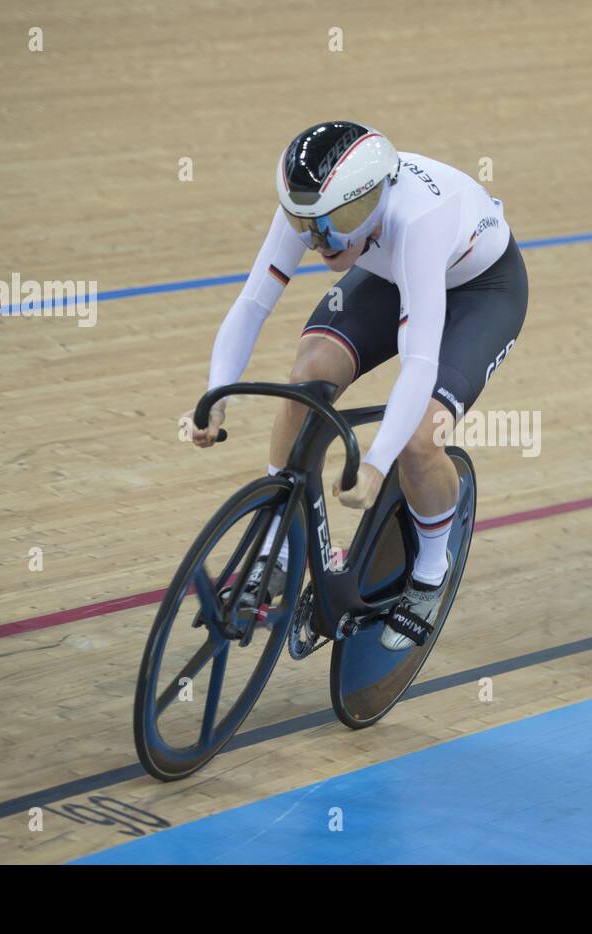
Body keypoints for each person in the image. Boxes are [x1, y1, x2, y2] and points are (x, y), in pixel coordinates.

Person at [191, 121, 528, 650]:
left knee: (419, 441)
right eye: (306, 227)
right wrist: (217, 394)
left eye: (334, 223)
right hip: (389, 273)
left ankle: (431, 573)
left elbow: (418, 365)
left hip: (480, 293)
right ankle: (276, 553)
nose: (319, 241)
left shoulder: (417, 219)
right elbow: (253, 303)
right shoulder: (317, 209)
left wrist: (373, 465)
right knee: (308, 376)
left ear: (371, 200)